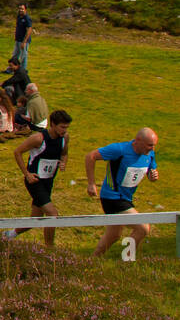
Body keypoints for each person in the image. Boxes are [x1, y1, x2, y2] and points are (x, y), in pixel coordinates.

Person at [86, 128, 160, 258]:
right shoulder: (119, 150)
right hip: (112, 197)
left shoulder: (150, 154)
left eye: (154, 145)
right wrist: (91, 183)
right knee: (142, 228)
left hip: (126, 198)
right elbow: (90, 156)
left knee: (113, 235)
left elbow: (150, 171)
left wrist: (152, 175)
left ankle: (91, 260)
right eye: (149, 145)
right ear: (138, 141)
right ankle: (127, 260)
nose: (152, 149)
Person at [9, 110, 72, 247]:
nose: (64, 130)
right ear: (53, 125)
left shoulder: (65, 138)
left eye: (66, 127)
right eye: (62, 127)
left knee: (36, 219)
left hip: (48, 181)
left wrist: (63, 162)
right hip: (35, 181)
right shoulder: (39, 138)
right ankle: (49, 248)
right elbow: (17, 152)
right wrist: (27, 174)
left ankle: (9, 235)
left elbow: (65, 153)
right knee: (52, 214)